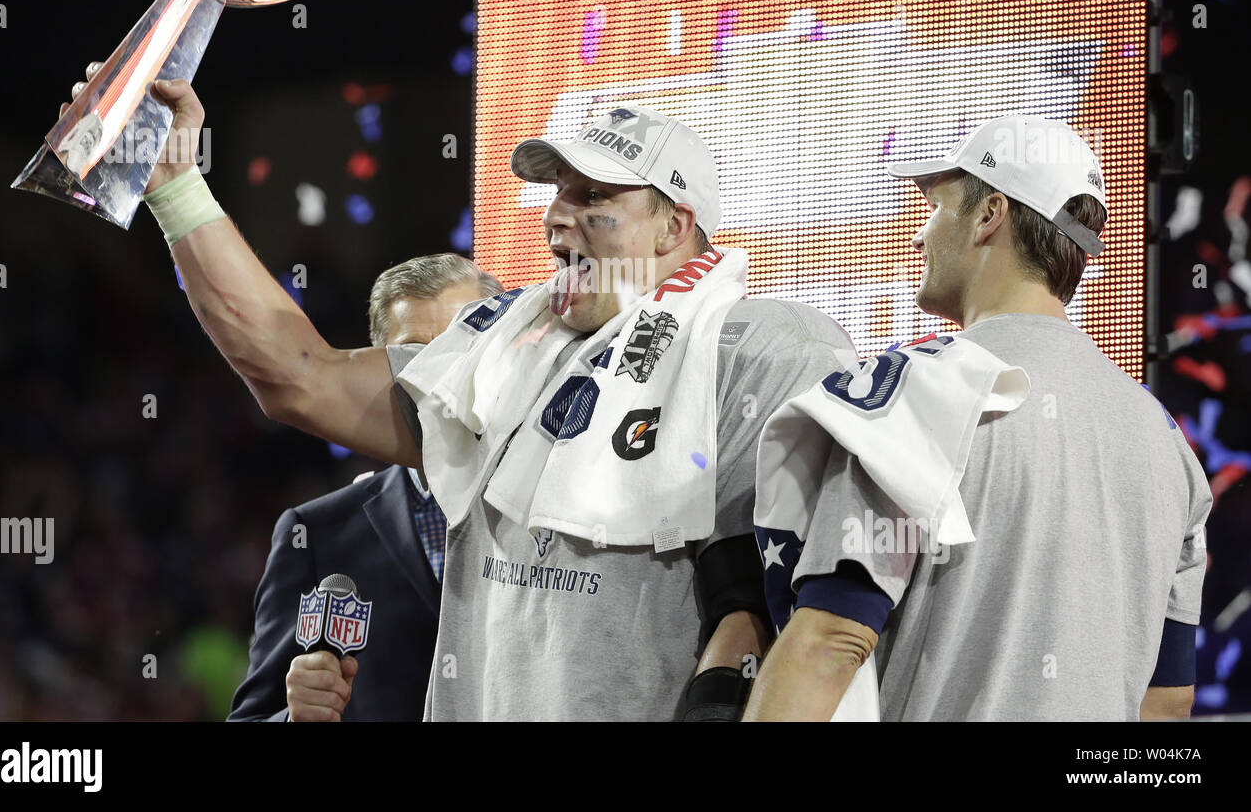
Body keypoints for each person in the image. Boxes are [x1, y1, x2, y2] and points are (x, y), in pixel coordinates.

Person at [126, 74, 855, 721]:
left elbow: (783, 613)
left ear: (675, 223)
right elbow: (298, 375)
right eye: (557, 192)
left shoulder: (758, 346)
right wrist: (174, 183)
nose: (556, 217)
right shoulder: (502, 347)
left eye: (594, 196)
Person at [743, 114, 1213, 722]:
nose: (920, 237)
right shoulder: (1165, 440)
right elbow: (1168, 700)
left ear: (990, 214)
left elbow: (829, 645)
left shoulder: (915, 393)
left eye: (936, 209)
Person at [228, 254, 503, 722]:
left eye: (464, 345)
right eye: (413, 353)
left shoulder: (560, 505)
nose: (442, 375)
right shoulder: (318, 534)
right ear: (380, 369)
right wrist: (295, 718)